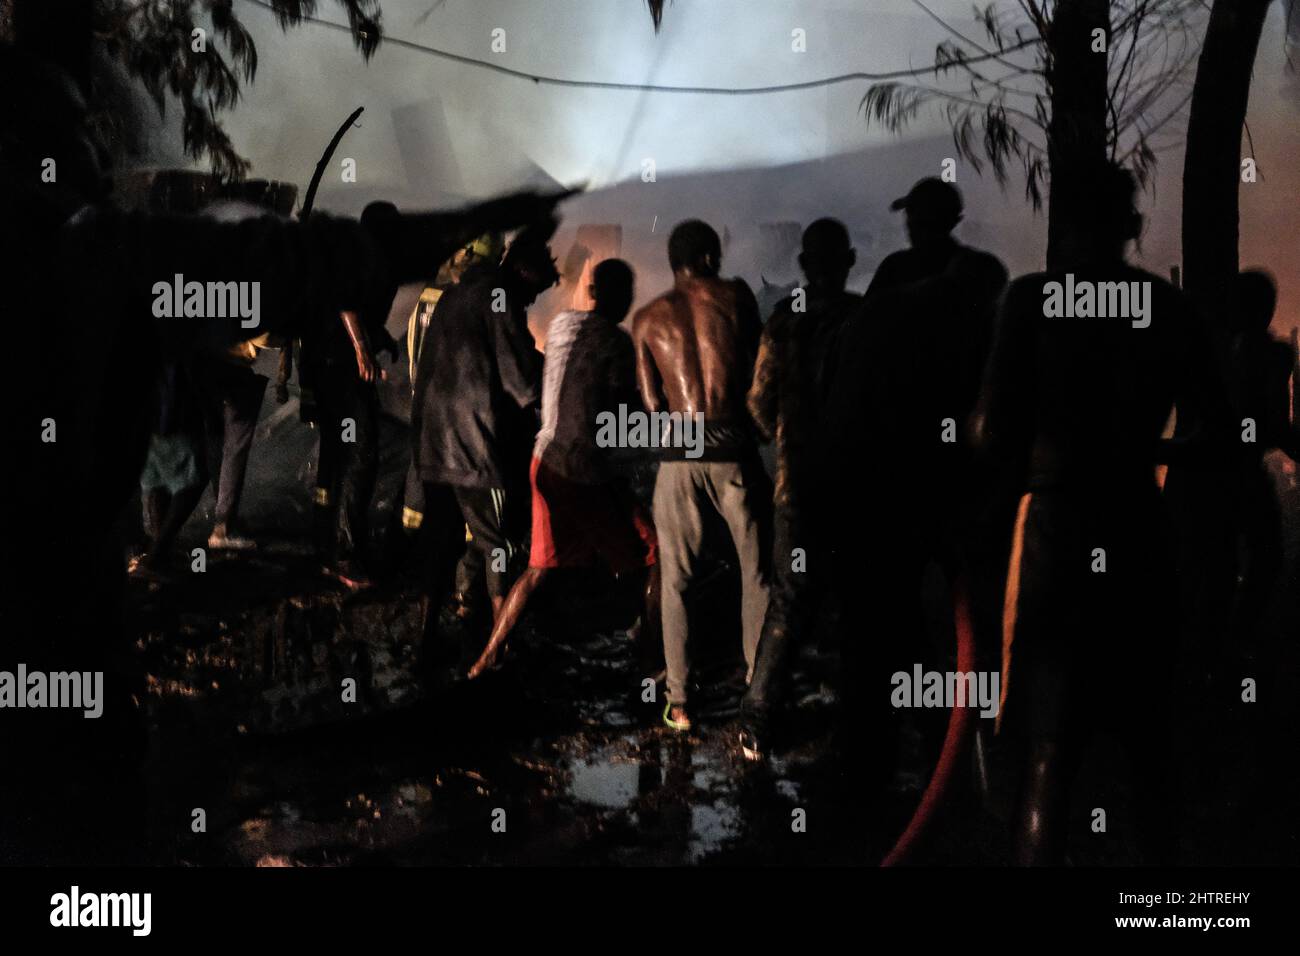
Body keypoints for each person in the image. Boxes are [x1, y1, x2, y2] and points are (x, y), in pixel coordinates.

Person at [977, 162, 1219, 865]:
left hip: (1053, 528)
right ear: (1133, 229)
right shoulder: (1167, 308)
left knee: (1050, 753)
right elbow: (1222, 427)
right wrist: (1148, 446)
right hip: (1137, 523)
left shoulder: (1029, 301)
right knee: (1150, 748)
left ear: (1064, 228)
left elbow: (989, 432)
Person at [822, 178, 1008, 783]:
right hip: (941, 477)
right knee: (943, 621)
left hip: (899, 476)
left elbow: (855, 367)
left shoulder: (914, 279)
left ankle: (889, 756)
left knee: (890, 621)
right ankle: (944, 748)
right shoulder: (971, 278)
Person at [467, 259, 660, 679]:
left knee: (537, 570)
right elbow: (616, 418)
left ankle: (485, 659)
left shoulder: (560, 326)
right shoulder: (618, 345)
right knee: (652, 554)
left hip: (543, 462)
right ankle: (650, 661)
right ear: (621, 297)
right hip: (580, 471)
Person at [632, 219, 771, 732]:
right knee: (756, 574)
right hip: (733, 447)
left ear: (673, 263)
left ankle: (681, 701)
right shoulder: (737, 298)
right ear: (710, 257)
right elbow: (760, 369)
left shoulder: (647, 318)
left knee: (677, 580)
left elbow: (650, 402)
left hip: (679, 453)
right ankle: (759, 688)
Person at [737, 219, 862, 761]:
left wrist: (784, 439)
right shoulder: (863, 318)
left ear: (804, 266)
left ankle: (758, 724)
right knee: (856, 601)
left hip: (798, 488)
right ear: (850, 260)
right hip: (856, 488)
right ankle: (856, 725)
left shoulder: (785, 322)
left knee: (788, 602)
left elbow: (758, 406)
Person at [410, 217, 560, 628]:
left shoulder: (453, 295)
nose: (530, 301)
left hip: (434, 447)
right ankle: (500, 640)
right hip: (474, 448)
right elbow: (522, 383)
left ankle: (430, 633)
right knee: (500, 541)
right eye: (534, 292)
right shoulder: (499, 296)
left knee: (441, 542)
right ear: (524, 272)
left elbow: (428, 375)